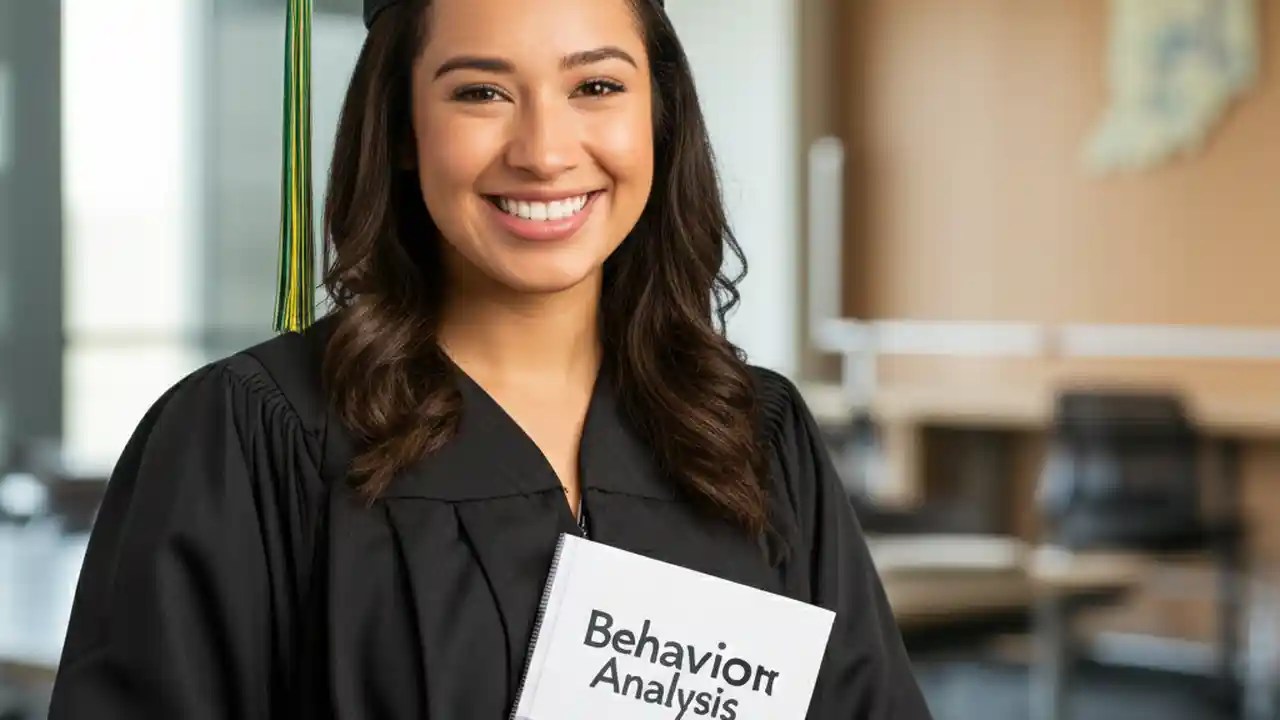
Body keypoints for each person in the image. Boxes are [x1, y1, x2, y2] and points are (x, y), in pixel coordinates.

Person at [47, 0, 932, 717]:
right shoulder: (250, 437)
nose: (545, 153)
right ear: (400, 128)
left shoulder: (754, 430)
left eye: (595, 85)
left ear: (657, 115)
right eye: (481, 93)